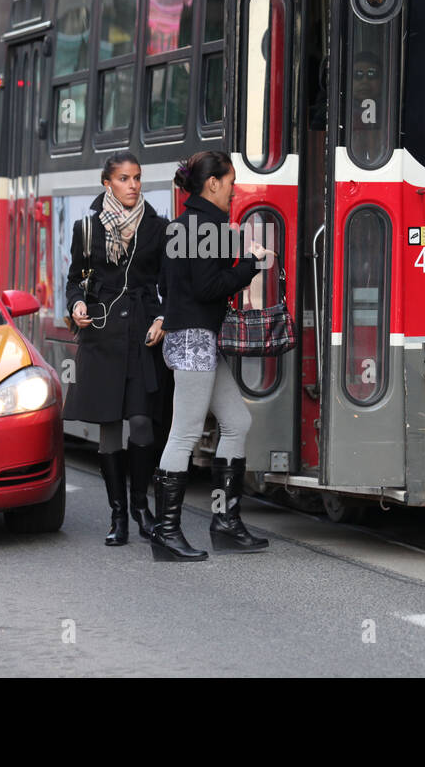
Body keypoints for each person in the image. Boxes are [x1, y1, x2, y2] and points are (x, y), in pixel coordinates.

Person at [153, 151, 275, 562]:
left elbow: (169, 285)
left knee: (237, 421)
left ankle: (224, 523)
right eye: (230, 182)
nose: (234, 189)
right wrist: (252, 267)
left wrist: (239, 249)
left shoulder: (185, 224)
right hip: (193, 341)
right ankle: (166, 532)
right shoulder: (205, 226)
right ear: (213, 184)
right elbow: (209, 286)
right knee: (184, 433)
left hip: (194, 337)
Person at [64, 151, 170, 546]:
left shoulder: (158, 228)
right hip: (103, 336)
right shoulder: (87, 229)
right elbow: (76, 280)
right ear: (107, 183)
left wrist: (164, 317)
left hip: (142, 334)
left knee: (142, 423)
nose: (133, 185)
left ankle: (141, 506)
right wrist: (76, 305)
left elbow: (167, 283)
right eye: (124, 179)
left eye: (137, 178)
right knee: (109, 428)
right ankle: (118, 515)